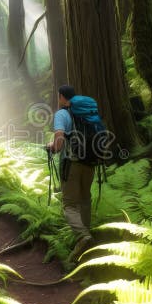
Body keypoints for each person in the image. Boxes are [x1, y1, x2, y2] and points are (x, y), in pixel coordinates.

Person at [46, 85, 94, 265]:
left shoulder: (62, 114)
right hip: (90, 162)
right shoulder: (86, 112)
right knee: (85, 200)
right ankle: (87, 240)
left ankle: (83, 237)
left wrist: (52, 147)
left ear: (61, 97)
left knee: (69, 205)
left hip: (72, 164)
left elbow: (59, 143)